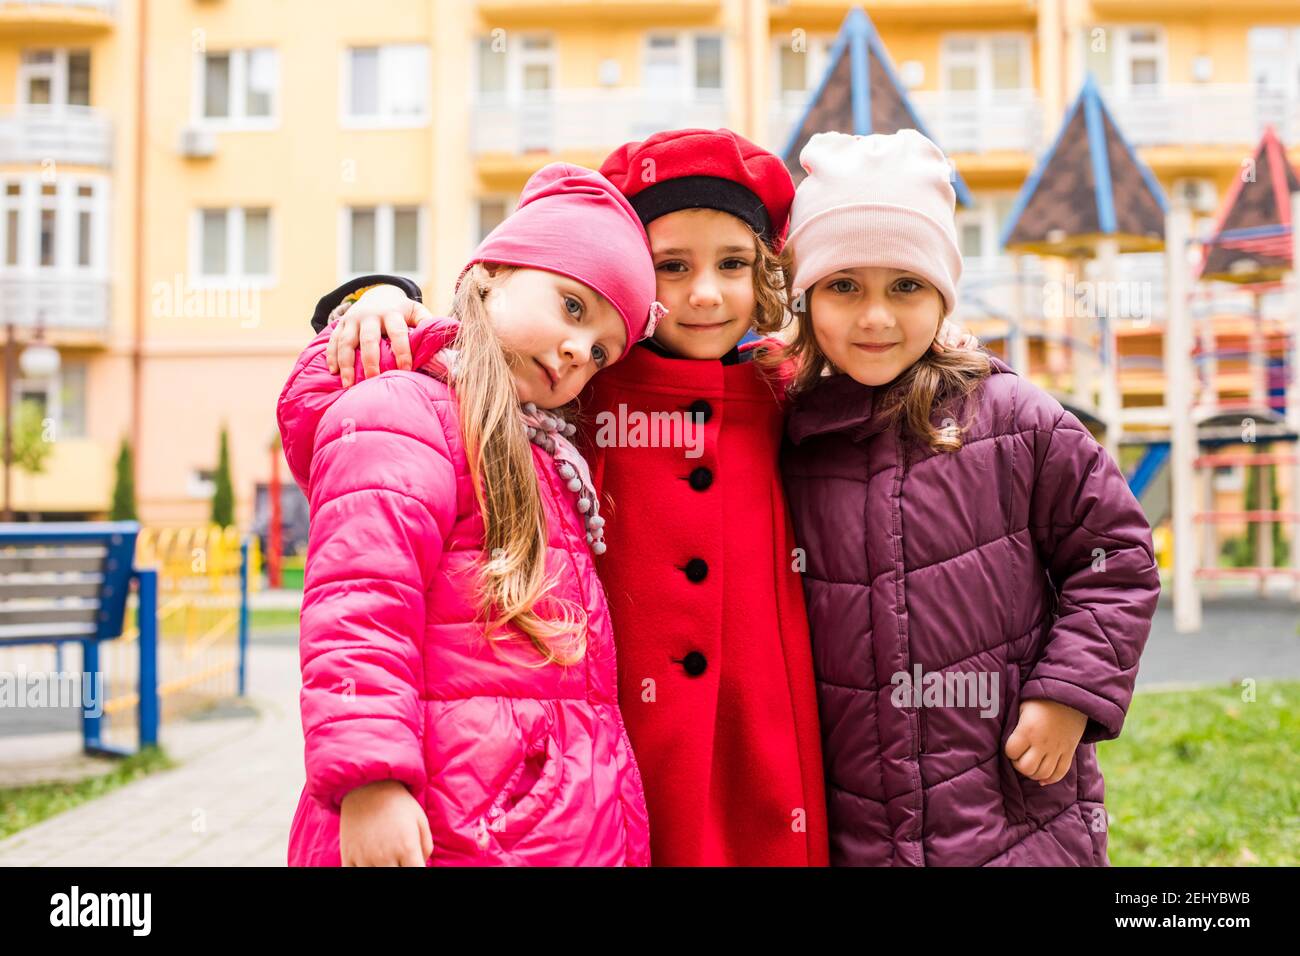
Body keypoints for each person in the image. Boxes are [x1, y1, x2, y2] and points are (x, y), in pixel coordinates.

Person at [778, 129, 1161, 865]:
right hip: (852, 814)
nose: (875, 317)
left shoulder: (1014, 420)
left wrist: (1068, 696)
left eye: (905, 285)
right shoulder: (791, 437)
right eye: (844, 285)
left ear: (943, 292)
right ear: (807, 295)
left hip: (1012, 801)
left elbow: (1115, 556)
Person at [277, 163, 659, 865]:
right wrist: (372, 782)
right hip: (436, 825)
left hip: (523, 829)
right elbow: (361, 605)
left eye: (603, 350)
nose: (580, 351)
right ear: (493, 274)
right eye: (573, 307)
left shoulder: (543, 449)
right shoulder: (404, 414)